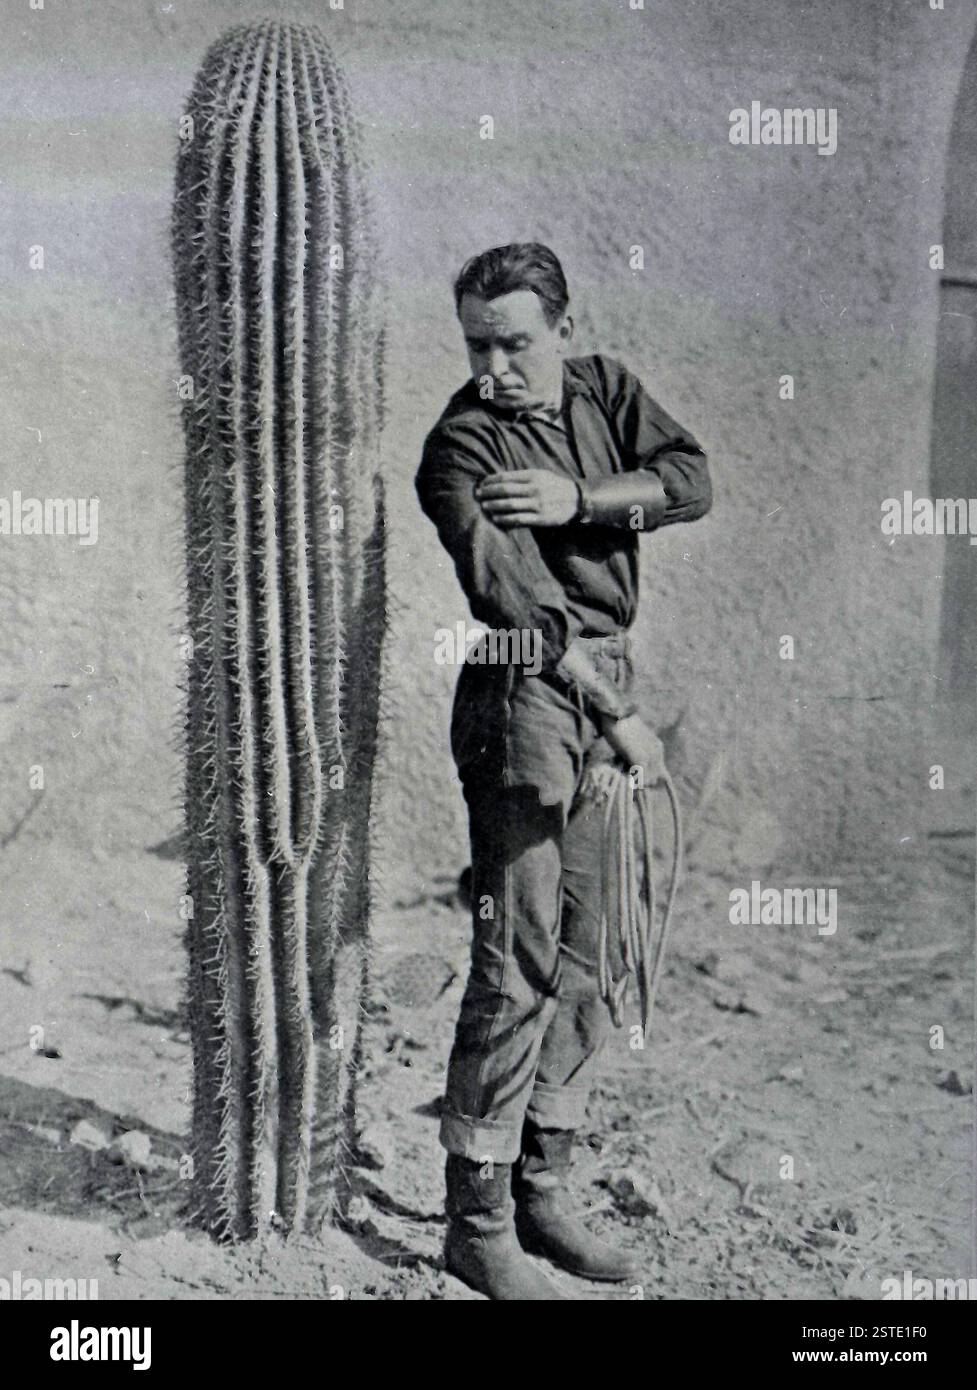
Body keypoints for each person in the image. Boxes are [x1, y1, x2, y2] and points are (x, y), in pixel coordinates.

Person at [415, 242, 712, 1299]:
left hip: (599, 687)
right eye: (475, 344)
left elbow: (689, 481)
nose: (494, 365)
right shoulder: (458, 446)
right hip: (526, 696)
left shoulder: (605, 389)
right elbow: (518, 608)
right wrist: (622, 713)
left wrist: (578, 497)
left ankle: (544, 1187)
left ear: (564, 331)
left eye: (515, 342)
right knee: (517, 956)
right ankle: (475, 1218)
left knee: (588, 951)